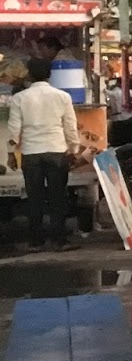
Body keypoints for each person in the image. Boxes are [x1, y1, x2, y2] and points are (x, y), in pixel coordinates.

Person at [5, 57, 80, 251]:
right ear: (50, 74)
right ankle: (59, 241)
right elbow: (70, 128)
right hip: (56, 151)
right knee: (57, 198)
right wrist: (73, 150)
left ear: (29, 75)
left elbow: (14, 129)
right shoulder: (63, 97)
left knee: (34, 198)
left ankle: (35, 241)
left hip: (31, 153)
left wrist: (11, 153)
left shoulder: (20, 98)